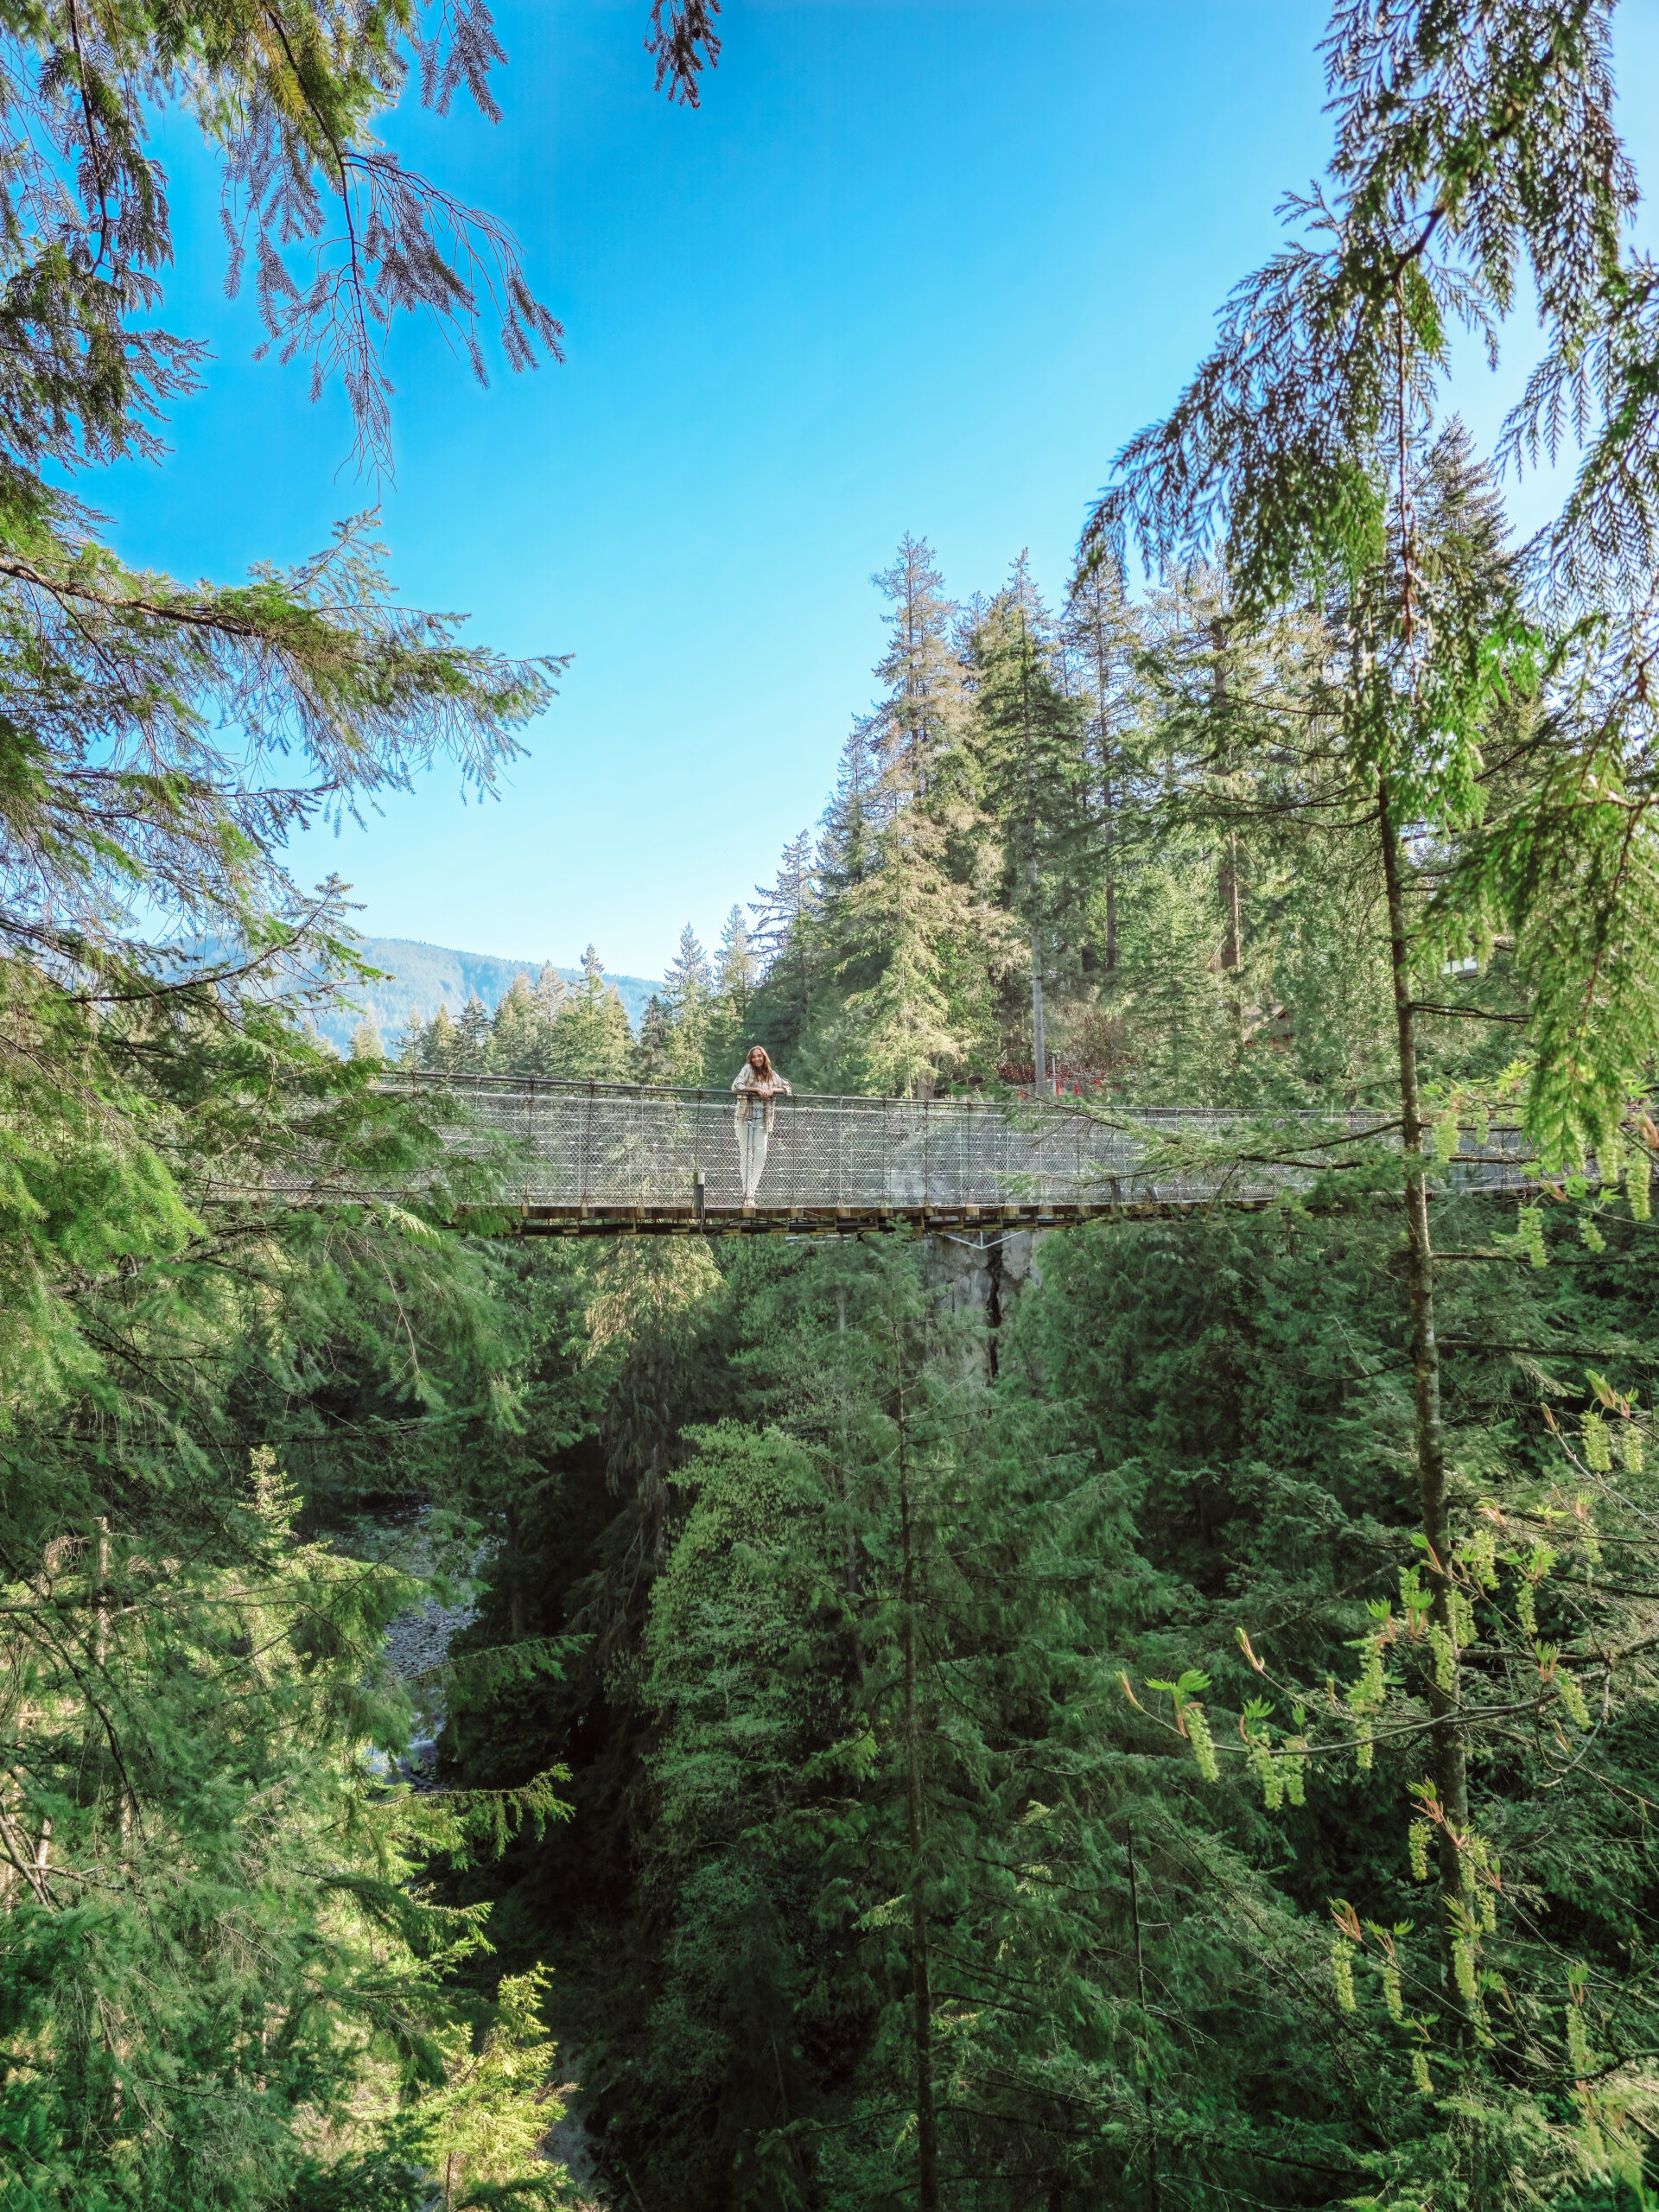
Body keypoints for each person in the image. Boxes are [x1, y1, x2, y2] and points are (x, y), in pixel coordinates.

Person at [731, 1045, 791, 1205]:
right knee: (746, 1155)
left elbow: (787, 1087)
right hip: (744, 1118)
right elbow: (736, 1085)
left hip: (763, 1120)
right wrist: (756, 1089)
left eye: (759, 1056)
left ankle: (751, 1191)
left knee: (761, 1155)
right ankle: (748, 1196)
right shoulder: (747, 1069)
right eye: (754, 1056)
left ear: (764, 1057)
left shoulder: (771, 1074)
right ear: (750, 1059)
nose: (757, 1059)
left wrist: (773, 1091)